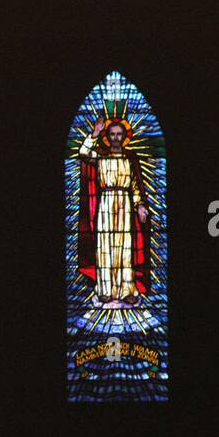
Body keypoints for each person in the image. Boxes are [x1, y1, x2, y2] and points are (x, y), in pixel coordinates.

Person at [77, 117, 150, 306]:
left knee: (125, 246)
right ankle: (105, 290)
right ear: (107, 137)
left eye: (119, 134)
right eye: (112, 134)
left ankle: (127, 290)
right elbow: (83, 152)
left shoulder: (130, 158)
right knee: (105, 245)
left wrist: (140, 205)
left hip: (124, 203)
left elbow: (135, 186)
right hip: (106, 202)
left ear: (125, 136)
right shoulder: (100, 156)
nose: (116, 138)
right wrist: (94, 133)